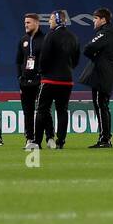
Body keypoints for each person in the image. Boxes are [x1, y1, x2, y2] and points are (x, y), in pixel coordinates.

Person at [28, 10, 79, 150]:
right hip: (67, 80)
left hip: (50, 80)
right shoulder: (74, 37)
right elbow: (76, 60)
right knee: (62, 111)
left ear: (57, 20)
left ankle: (37, 142)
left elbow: (44, 58)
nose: (49, 22)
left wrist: (42, 72)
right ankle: (60, 142)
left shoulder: (50, 35)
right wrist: (67, 69)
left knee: (42, 110)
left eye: (50, 19)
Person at [80, 8, 113, 149]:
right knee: (101, 105)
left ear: (103, 20)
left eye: (95, 18)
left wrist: (95, 57)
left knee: (101, 105)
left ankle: (105, 139)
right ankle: (104, 137)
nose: (94, 21)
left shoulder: (105, 33)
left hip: (102, 74)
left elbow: (88, 48)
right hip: (106, 73)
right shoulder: (110, 33)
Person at [16, 13, 53, 148]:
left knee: (44, 110)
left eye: (29, 22)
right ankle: (29, 138)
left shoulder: (45, 39)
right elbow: (19, 61)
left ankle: (50, 137)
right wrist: (20, 78)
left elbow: (49, 61)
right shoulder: (23, 40)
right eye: (25, 22)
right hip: (25, 81)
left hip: (40, 81)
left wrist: (43, 76)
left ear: (37, 23)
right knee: (28, 111)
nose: (26, 25)